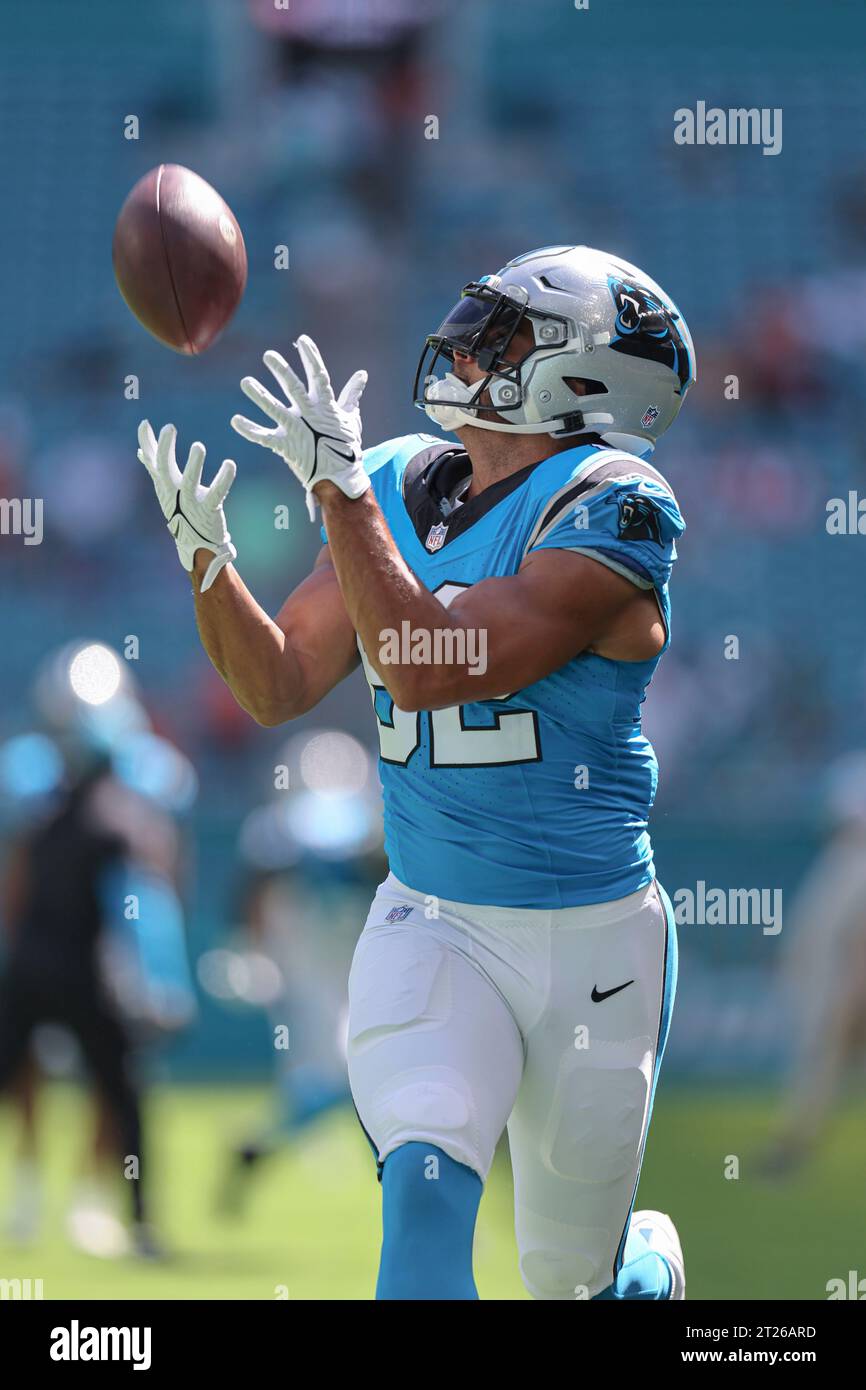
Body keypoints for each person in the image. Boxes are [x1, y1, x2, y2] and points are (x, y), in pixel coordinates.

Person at [138, 244, 695, 1300]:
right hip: (436, 918)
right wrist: (208, 567)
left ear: (583, 379)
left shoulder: (613, 501)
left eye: (507, 336)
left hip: (594, 937)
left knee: (565, 1278)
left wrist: (341, 492)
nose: (469, 347)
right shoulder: (397, 480)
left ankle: (641, 1272)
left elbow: (427, 663)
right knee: (425, 1204)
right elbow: (278, 683)